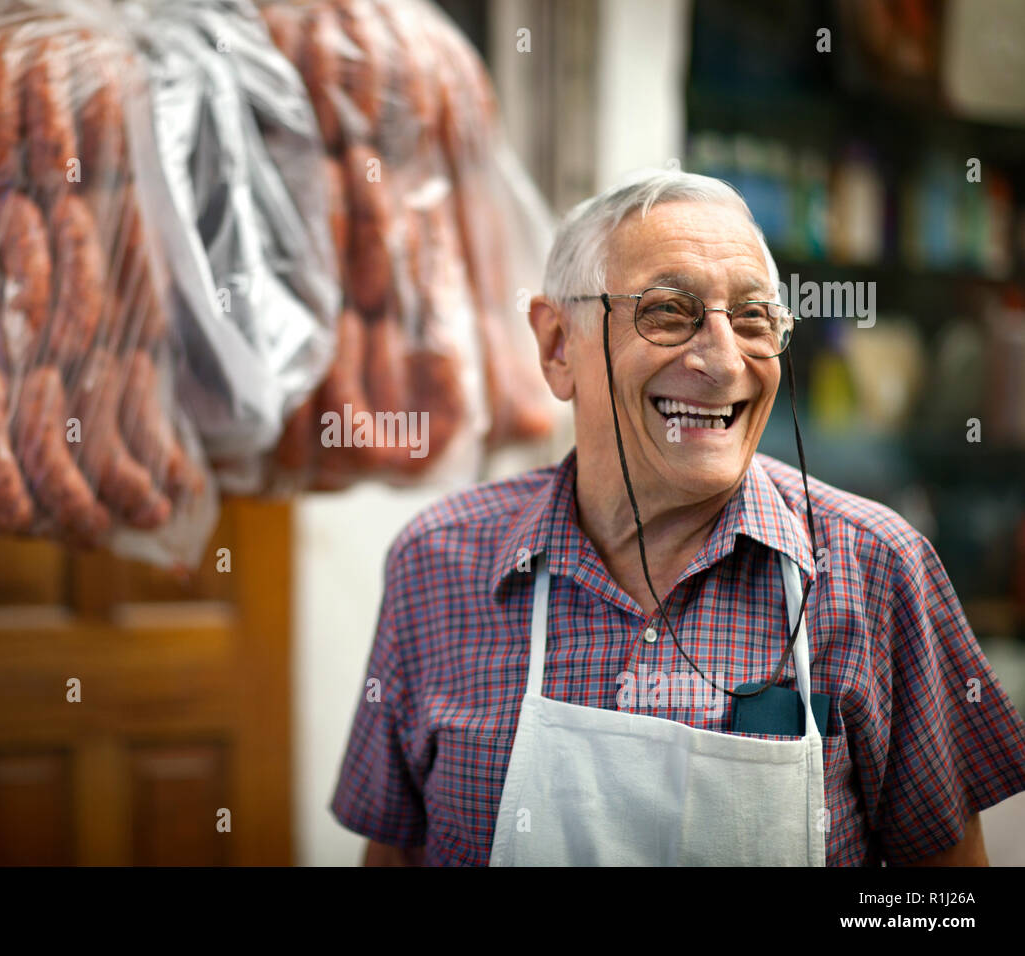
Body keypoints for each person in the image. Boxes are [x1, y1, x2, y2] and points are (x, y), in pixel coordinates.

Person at [330, 170, 1025, 866]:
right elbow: (392, 856)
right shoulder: (438, 563)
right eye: (668, 310)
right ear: (557, 345)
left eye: (754, 318)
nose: (724, 362)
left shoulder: (875, 569)